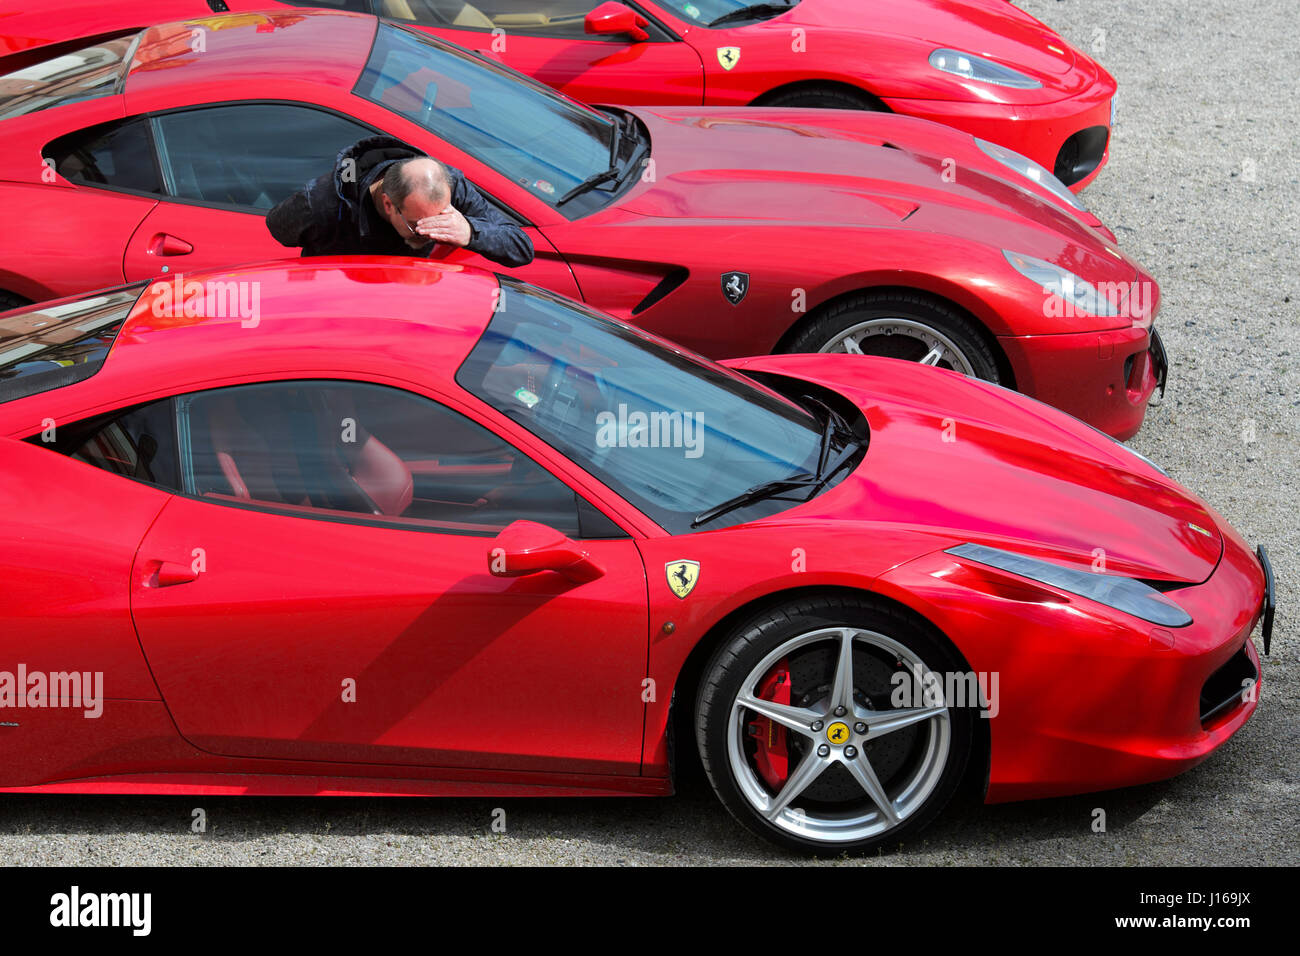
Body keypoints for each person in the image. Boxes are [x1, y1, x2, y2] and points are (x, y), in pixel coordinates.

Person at [266, 135, 533, 267]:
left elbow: (521, 248)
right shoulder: (324, 203)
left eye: (439, 219)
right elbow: (278, 227)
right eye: (418, 225)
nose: (429, 233)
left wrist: (471, 231)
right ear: (388, 204)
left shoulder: (448, 184)